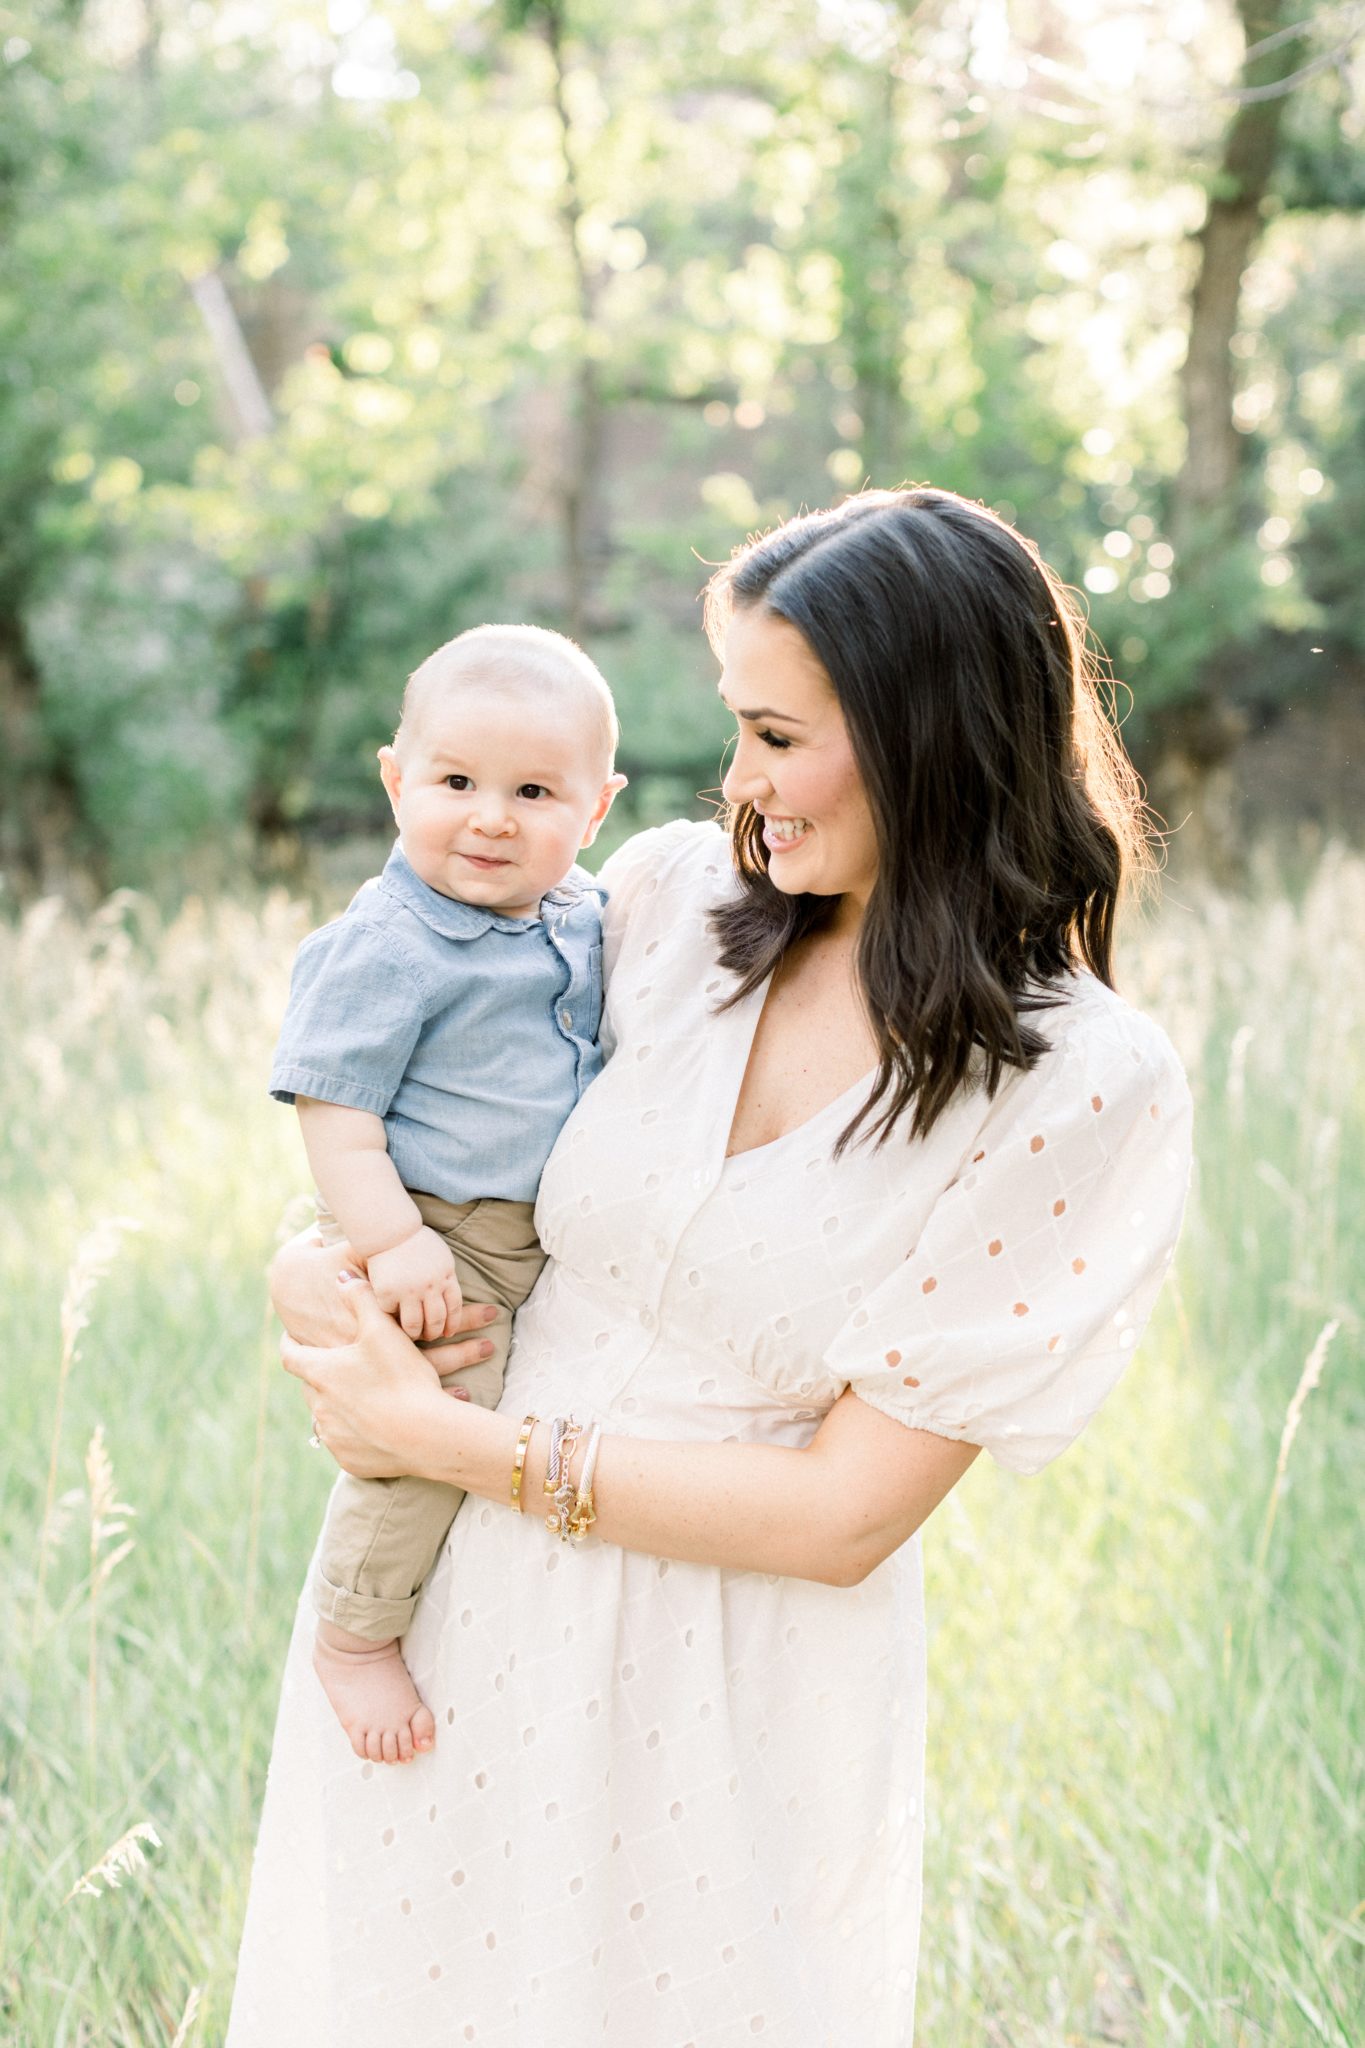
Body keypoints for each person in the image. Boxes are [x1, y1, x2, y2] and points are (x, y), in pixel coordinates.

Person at [228, 487, 1193, 2048]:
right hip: (454, 1618)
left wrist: (447, 1441)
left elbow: (842, 1517)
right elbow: (420, 1120)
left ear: (924, 735)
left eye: (777, 735)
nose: (737, 781)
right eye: (736, 728)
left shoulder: (1083, 1082)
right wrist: (313, 1269)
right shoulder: (669, 906)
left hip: (732, 1682)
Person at [267, 623, 625, 1765]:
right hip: (434, 1228)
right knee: (435, 1429)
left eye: (533, 790)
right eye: (456, 781)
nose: (491, 816)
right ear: (395, 779)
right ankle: (357, 1628)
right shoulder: (391, 941)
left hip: (533, 1236)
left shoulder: (578, 913)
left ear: (597, 808)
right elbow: (335, 1109)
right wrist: (394, 1241)